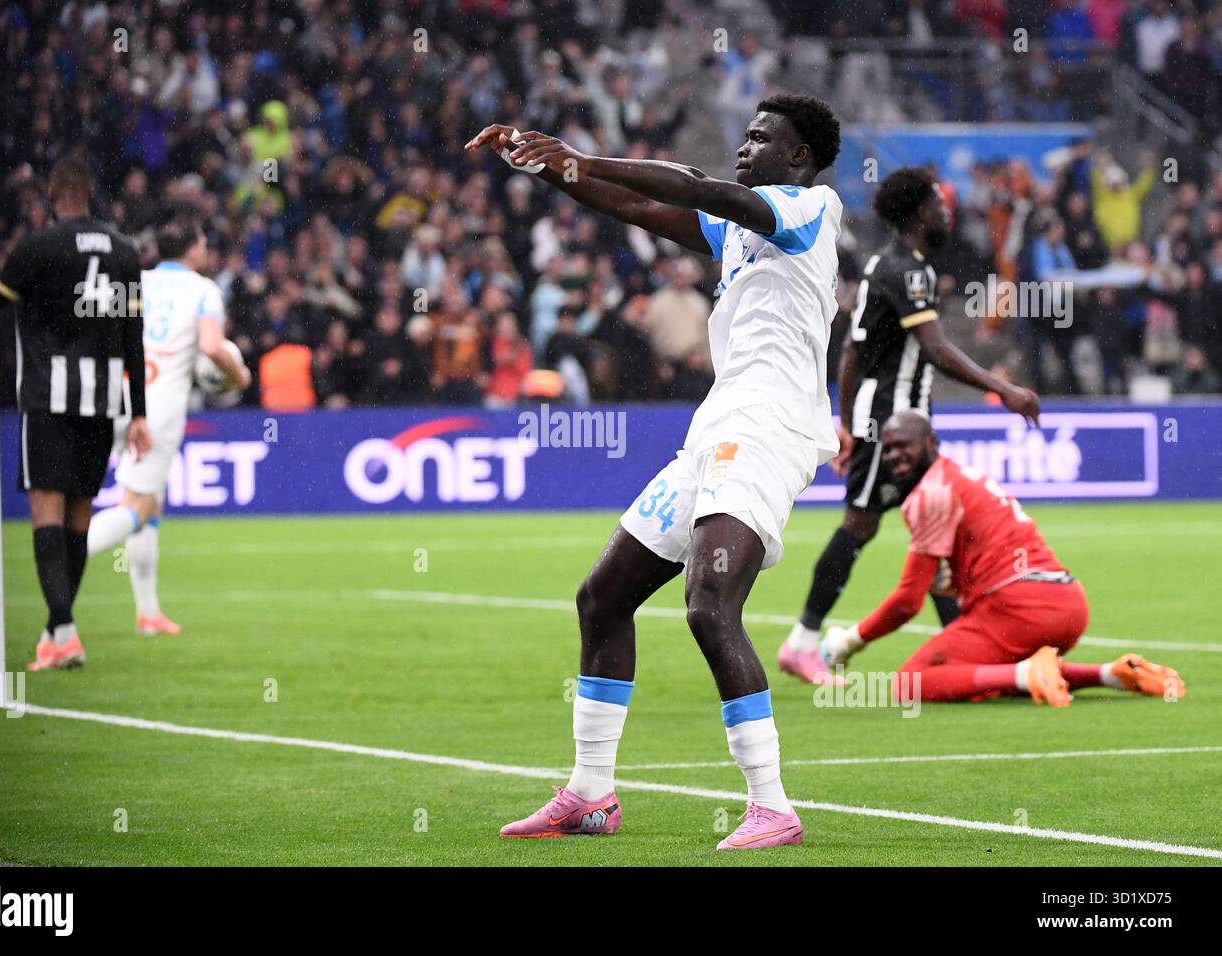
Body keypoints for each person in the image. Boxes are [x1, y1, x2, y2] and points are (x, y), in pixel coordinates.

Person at [467, 92, 844, 850]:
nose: (746, 146)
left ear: (798, 157)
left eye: (762, 138)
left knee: (709, 606)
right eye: (742, 134)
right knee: (603, 598)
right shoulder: (739, 232)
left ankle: (772, 805)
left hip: (770, 428)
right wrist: (548, 167)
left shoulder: (811, 209)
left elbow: (697, 186)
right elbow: (635, 204)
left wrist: (579, 154)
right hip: (715, 430)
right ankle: (591, 794)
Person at [779, 168, 1040, 685]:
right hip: (892, 422)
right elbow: (937, 350)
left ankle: (961, 643)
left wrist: (846, 421)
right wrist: (1004, 389)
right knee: (862, 523)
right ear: (921, 211)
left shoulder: (887, 264)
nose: (947, 213)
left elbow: (852, 353)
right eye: (940, 206)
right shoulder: (909, 271)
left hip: (898, 420)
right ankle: (803, 643)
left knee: (938, 521)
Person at [819, 411, 1185, 706]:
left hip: (1020, 609)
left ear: (931, 443)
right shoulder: (960, 476)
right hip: (1067, 604)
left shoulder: (928, 495)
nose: (895, 455)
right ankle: (1112, 674)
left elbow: (907, 602)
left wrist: (851, 639)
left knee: (909, 683)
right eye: (889, 448)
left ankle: (1027, 675)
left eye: (904, 446)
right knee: (980, 672)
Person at [2, 158, 151, 670]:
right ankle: (56, 631)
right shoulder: (126, 252)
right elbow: (134, 337)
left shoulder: (38, 247)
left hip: (47, 399)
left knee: (47, 510)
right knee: (78, 517)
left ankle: (63, 630)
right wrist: (139, 414)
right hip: (103, 401)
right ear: (91, 196)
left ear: (52, 198)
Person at [85, 221, 250, 634]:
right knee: (138, 506)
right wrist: (240, 377)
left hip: (114, 396)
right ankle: (67, 550)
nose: (207, 248)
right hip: (156, 408)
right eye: (203, 241)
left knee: (149, 502)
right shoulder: (203, 289)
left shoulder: (133, 281)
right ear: (192, 250)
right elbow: (212, 347)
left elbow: (103, 333)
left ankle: (148, 613)